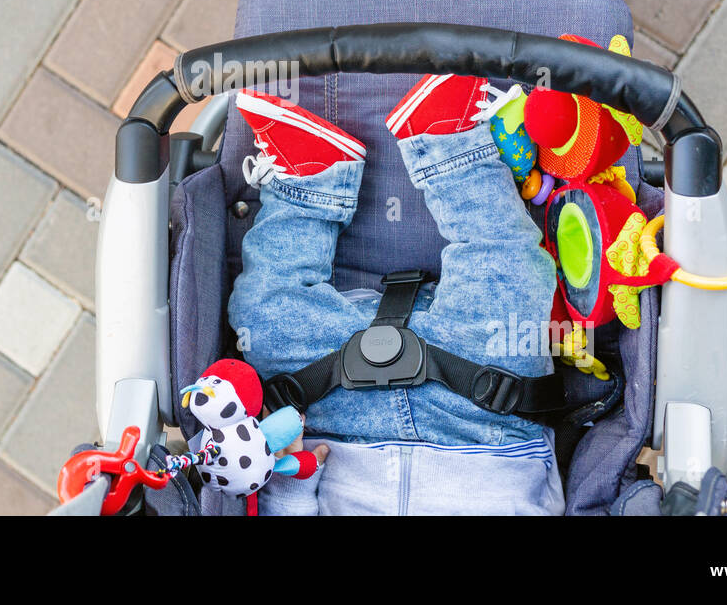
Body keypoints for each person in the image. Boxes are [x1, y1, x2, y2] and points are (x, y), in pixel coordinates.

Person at [227, 74, 563, 515]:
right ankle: (450, 146)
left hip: (326, 409)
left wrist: (292, 477)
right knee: (507, 273)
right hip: (483, 412)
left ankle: (310, 183)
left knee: (268, 319)